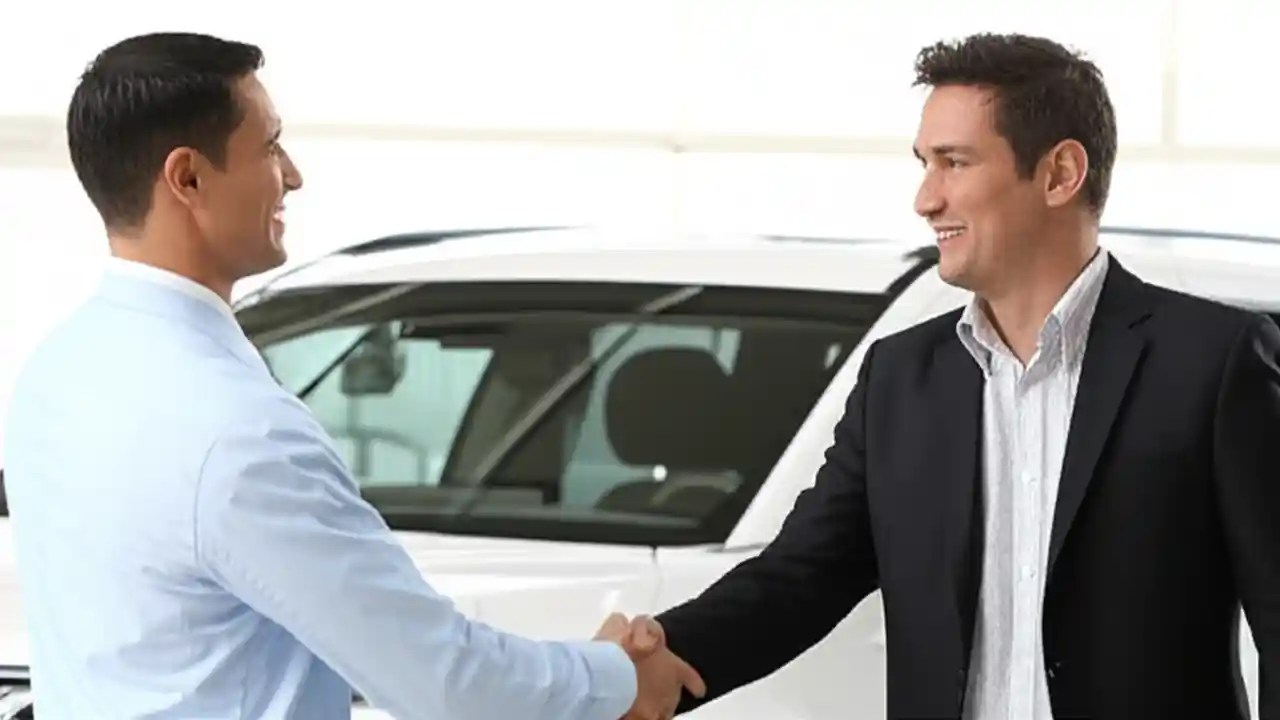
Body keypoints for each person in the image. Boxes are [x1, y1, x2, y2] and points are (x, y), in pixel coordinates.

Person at [0, 32, 703, 720]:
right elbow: (444, 683)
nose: (293, 174)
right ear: (187, 178)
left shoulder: (56, 375)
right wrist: (615, 680)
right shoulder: (238, 430)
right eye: (270, 145)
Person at [622, 32, 1280, 720]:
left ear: (1060, 174)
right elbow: (799, 579)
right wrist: (660, 658)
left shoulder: (1211, 363)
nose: (925, 199)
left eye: (954, 163)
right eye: (924, 164)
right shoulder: (900, 380)